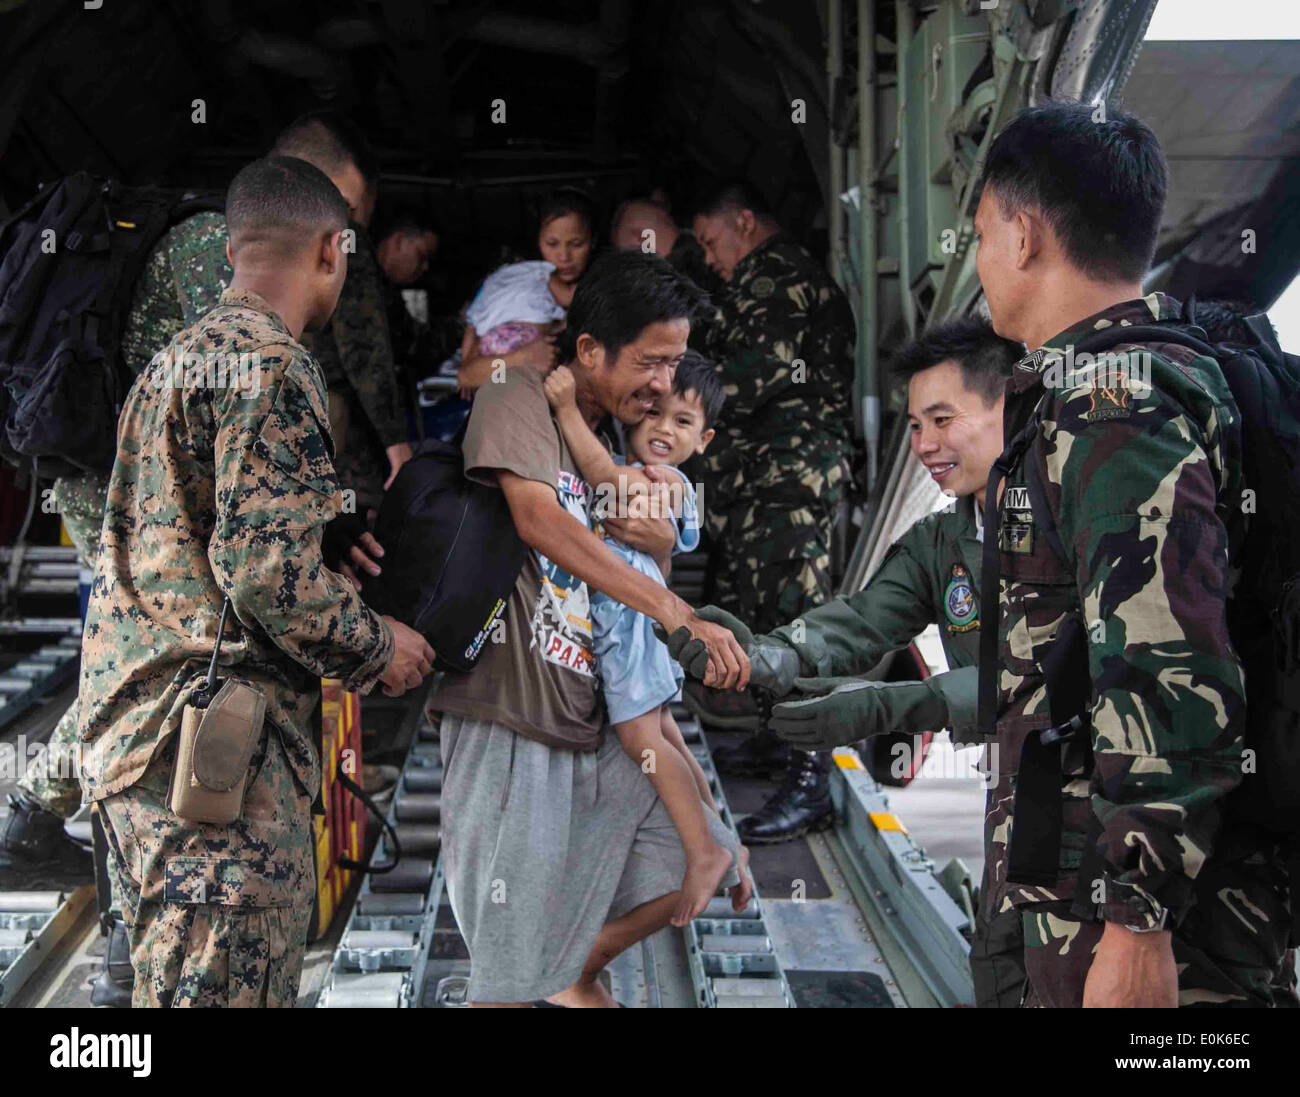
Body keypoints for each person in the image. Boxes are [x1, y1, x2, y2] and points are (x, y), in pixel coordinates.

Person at [77, 156, 434, 1008]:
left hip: (140, 747)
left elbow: (187, 540)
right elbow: (262, 570)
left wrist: (322, 524)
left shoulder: (172, 360)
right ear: (329, 251)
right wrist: (378, 646)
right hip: (216, 773)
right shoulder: (273, 365)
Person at [659, 318, 1028, 1003]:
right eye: (915, 425)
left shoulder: (1077, 524)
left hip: (1123, 827)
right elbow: (860, 621)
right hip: (1017, 812)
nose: (924, 446)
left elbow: (1075, 682)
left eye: (942, 419)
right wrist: (766, 657)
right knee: (1004, 974)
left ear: (1012, 405)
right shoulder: (943, 537)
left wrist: (906, 704)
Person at [428, 250, 751, 1007]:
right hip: (513, 714)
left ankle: (570, 970)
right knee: (503, 973)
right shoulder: (517, 392)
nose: (667, 382)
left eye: (676, 364)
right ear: (589, 351)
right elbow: (537, 518)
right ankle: (550, 977)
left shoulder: (610, 440)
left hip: (589, 718)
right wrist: (674, 609)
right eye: (654, 361)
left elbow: (651, 535)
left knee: (696, 845)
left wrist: (663, 546)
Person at [543, 351, 747, 925]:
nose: (663, 429)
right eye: (655, 413)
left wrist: (564, 409)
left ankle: (703, 851)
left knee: (642, 740)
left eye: (683, 423)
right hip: (641, 627)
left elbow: (605, 482)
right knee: (667, 737)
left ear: (703, 440)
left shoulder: (669, 481)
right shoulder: (639, 464)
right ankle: (720, 833)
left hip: (634, 628)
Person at [688, 179, 857, 844]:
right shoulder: (763, 278)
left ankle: (812, 774)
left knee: (795, 617)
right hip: (769, 474)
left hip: (791, 471)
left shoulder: (775, 273)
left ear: (746, 223)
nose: (708, 257)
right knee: (761, 610)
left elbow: (755, 372)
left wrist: (674, 400)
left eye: (710, 241)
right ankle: (774, 738)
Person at [278, 112, 413, 519]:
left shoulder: (235, 230)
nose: (348, 219)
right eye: (348, 204)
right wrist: (396, 442)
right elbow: (363, 346)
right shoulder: (343, 236)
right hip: (329, 429)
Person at [455, 187, 597, 393]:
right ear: (538, 240)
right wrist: (521, 358)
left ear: (592, 241)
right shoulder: (517, 290)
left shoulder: (597, 293)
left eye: (576, 244)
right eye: (552, 244)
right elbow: (467, 376)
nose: (564, 256)